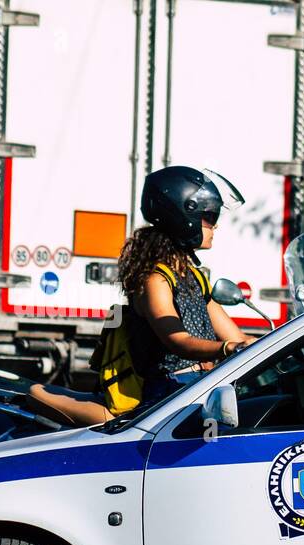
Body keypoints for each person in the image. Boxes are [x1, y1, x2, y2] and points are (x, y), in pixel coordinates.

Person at [28, 166, 253, 425]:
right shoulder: (155, 280)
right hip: (164, 398)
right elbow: (176, 338)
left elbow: (237, 337)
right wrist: (228, 348)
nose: (215, 225)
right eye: (210, 216)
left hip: (198, 389)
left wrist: (281, 347)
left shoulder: (195, 278)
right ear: (183, 217)